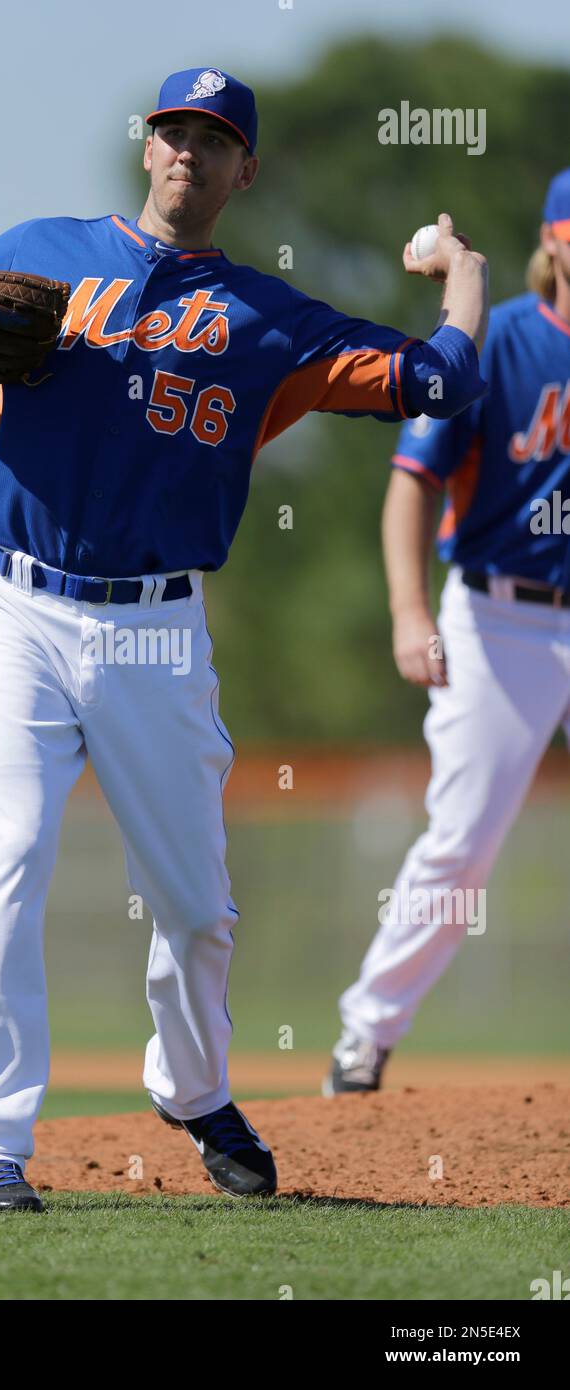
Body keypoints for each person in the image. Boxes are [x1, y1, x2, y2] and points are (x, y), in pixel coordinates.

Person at [0, 67, 488, 1210]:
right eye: (172, 132)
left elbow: (437, 382)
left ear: (242, 170)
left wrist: (462, 281)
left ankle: (192, 1087)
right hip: (16, 604)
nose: (186, 153)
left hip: (156, 629)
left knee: (197, 905)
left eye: (213, 139)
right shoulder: (40, 247)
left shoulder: (268, 320)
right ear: (144, 146)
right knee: (11, 856)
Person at [324, 169, 570, 1096]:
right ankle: (366, 1035)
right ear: (554, 244)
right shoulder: (505, 341)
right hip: (501, 618)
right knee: (464, 841)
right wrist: (409, 610)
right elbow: (412, 482)